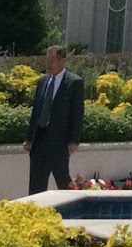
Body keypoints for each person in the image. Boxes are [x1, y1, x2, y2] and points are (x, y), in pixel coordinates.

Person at [23, 45, 85, 194]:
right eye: (47, 61)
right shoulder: (42, 81)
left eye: (52, 61)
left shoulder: (74, 82)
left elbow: (77, 113)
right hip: (40, 140)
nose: (49, 65)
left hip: (60, 142)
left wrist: (74, 140)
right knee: (36, 185)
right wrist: (29, 138)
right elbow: (36, 111)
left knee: (63, 182)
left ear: (62, 61)